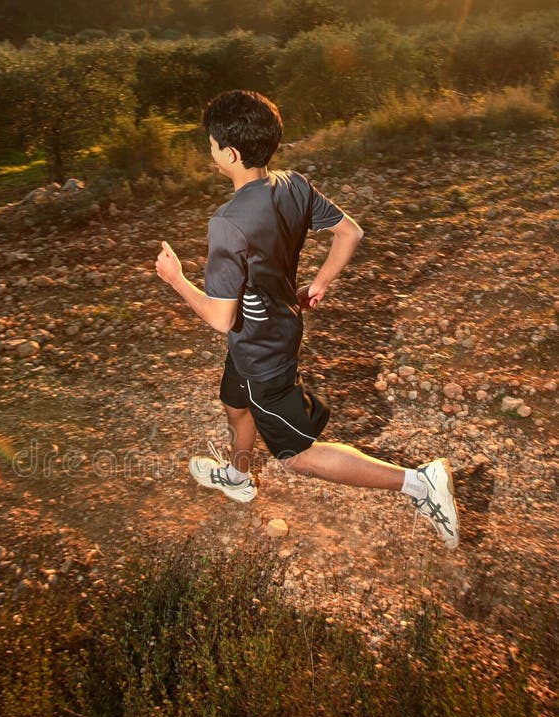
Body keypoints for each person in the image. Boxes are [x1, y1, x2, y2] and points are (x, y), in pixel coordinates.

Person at [155, 90, 460, 549]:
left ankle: (420, 483)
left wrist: (176, 278)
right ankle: (238, 477)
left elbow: (220, 317)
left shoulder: (228, 222)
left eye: (212, 143)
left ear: (230, 153)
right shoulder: (292, 184)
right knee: (235, 406)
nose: (210, 150)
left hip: (262, 350)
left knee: (296, 456)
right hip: (260, 333)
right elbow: (349, 232)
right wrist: (318, 284)